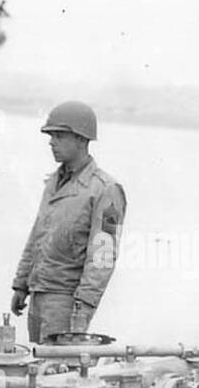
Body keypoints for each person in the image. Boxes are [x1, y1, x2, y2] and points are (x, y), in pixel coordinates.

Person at [10, 101, 127, 342]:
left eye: (60, 136)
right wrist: (20, 285)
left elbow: (102, 257)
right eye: (51, 136)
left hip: (67, 301)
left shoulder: (106, 190)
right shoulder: (53, 183)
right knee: (35, 370)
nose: (52, 142)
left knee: (58, 371)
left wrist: (83, 307)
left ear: (82, 140)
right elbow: (37, 236)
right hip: (38, 294)